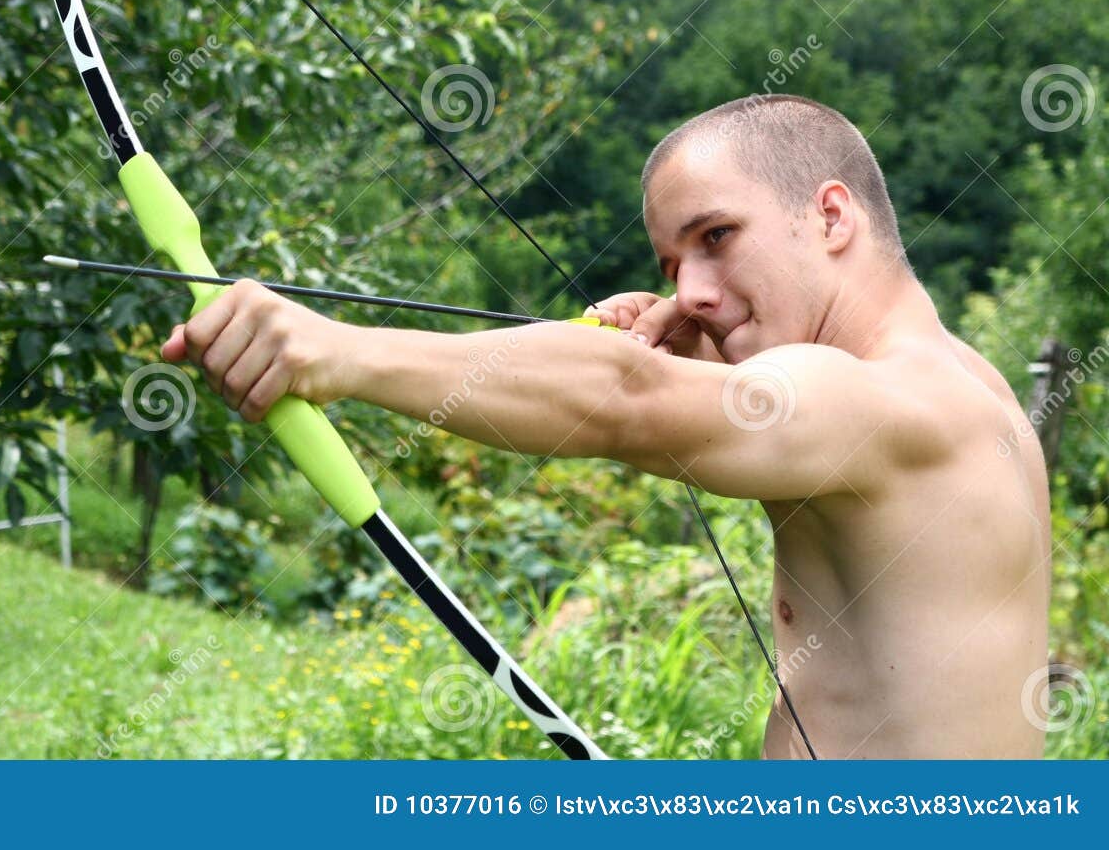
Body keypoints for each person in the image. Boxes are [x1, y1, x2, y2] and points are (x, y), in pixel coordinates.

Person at [160, 93, 1052, 758]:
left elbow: (627, 404)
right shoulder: (956, 384)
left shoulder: (902, 402)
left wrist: (332, 350)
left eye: (717, 236)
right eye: (672, 262)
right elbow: (666, 403)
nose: (690, 292)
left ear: (829, 215)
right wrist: (683, 370)